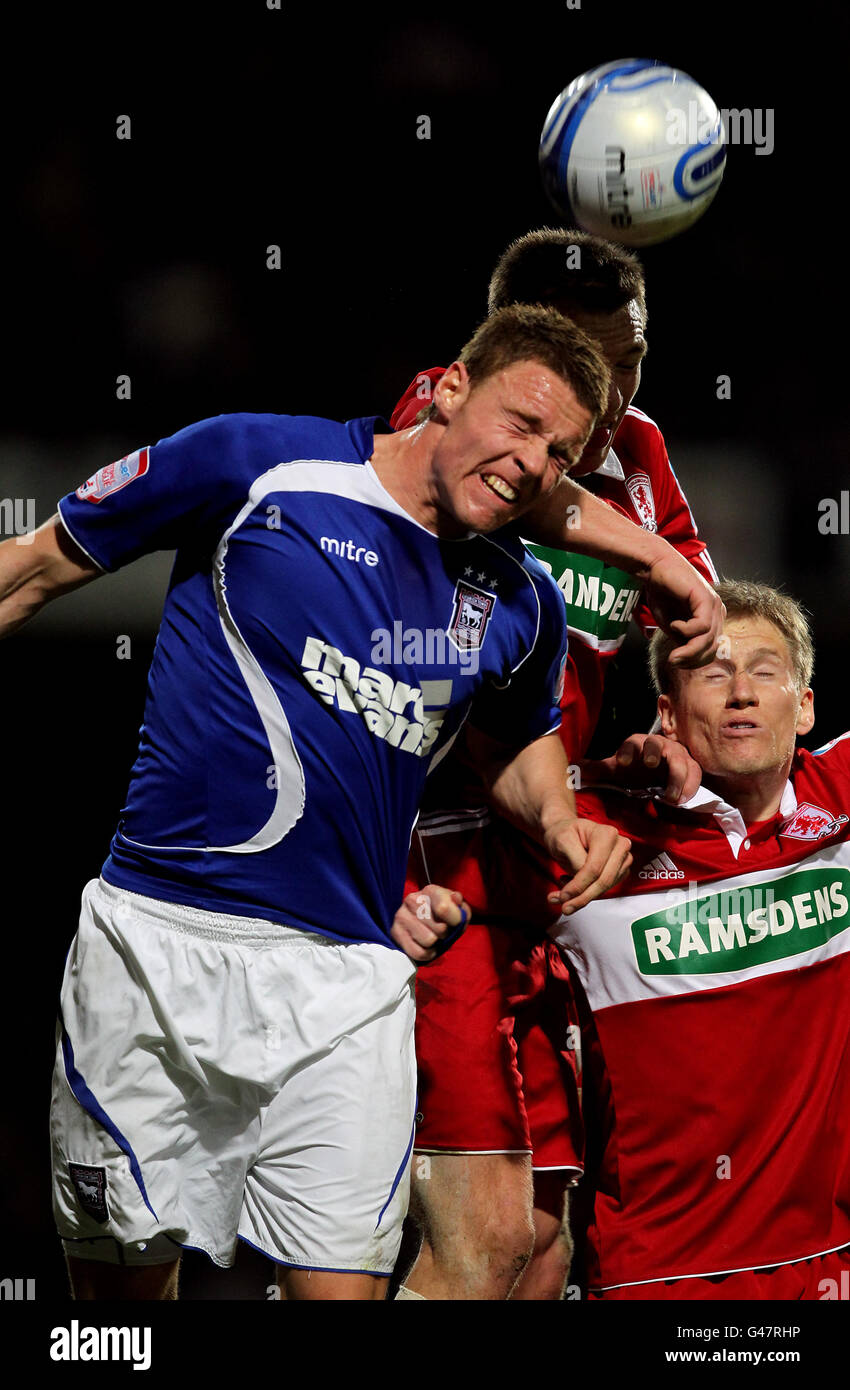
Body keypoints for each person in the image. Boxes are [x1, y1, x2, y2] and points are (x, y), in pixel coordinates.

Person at [0, 303, 702, 1303]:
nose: (532, 461)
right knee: (120, 1322)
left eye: (560, 452)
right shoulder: (253, 463)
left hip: (345, 985)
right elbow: (30, 572)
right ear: (450, 386)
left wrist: (556, 820)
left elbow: (516, 749)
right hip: (154, 947)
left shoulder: (521, 603)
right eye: (519, 421)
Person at [392, 228, 718, 1300]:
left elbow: (697, 626)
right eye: (587, 361)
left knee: (541, 1248)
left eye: (630, 359)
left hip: (551, 875)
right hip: (429, 869)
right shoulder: (437, 422)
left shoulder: (643, 454)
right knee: (479, 1238)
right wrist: (641, 549)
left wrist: (671, 722)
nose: (612, 391)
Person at [547, 580, 850, 1299]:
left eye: (766, 672)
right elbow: (434, 825)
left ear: (804, 707)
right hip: (660, 1269)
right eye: (713, 674)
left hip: (832, 1257)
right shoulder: (586, 836)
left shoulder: (839, 805)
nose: (741, 692)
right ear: (667, 716)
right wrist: (589, 774)